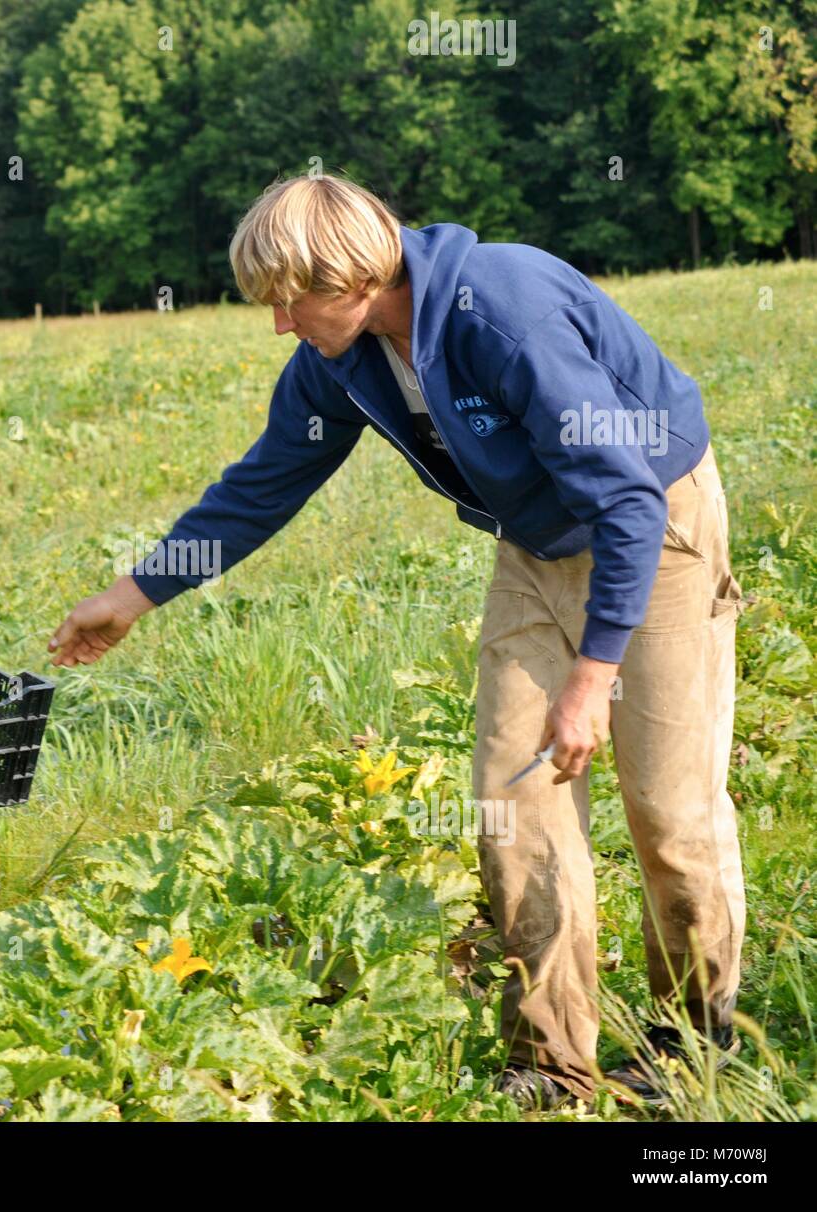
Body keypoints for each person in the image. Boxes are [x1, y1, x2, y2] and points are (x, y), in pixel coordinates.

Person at [48, 174, 746, 1111]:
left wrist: (594, 676)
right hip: (538, 546)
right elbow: (264, 485)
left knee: (667, 810)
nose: (281, 325)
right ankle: (555, 1064)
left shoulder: (503, 312)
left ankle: (692, 1045)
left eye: (292, 302)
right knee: (515, 798)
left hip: (651, 528)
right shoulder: (342, 358)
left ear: (352, 276)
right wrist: (135, 595)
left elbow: (623, 493)